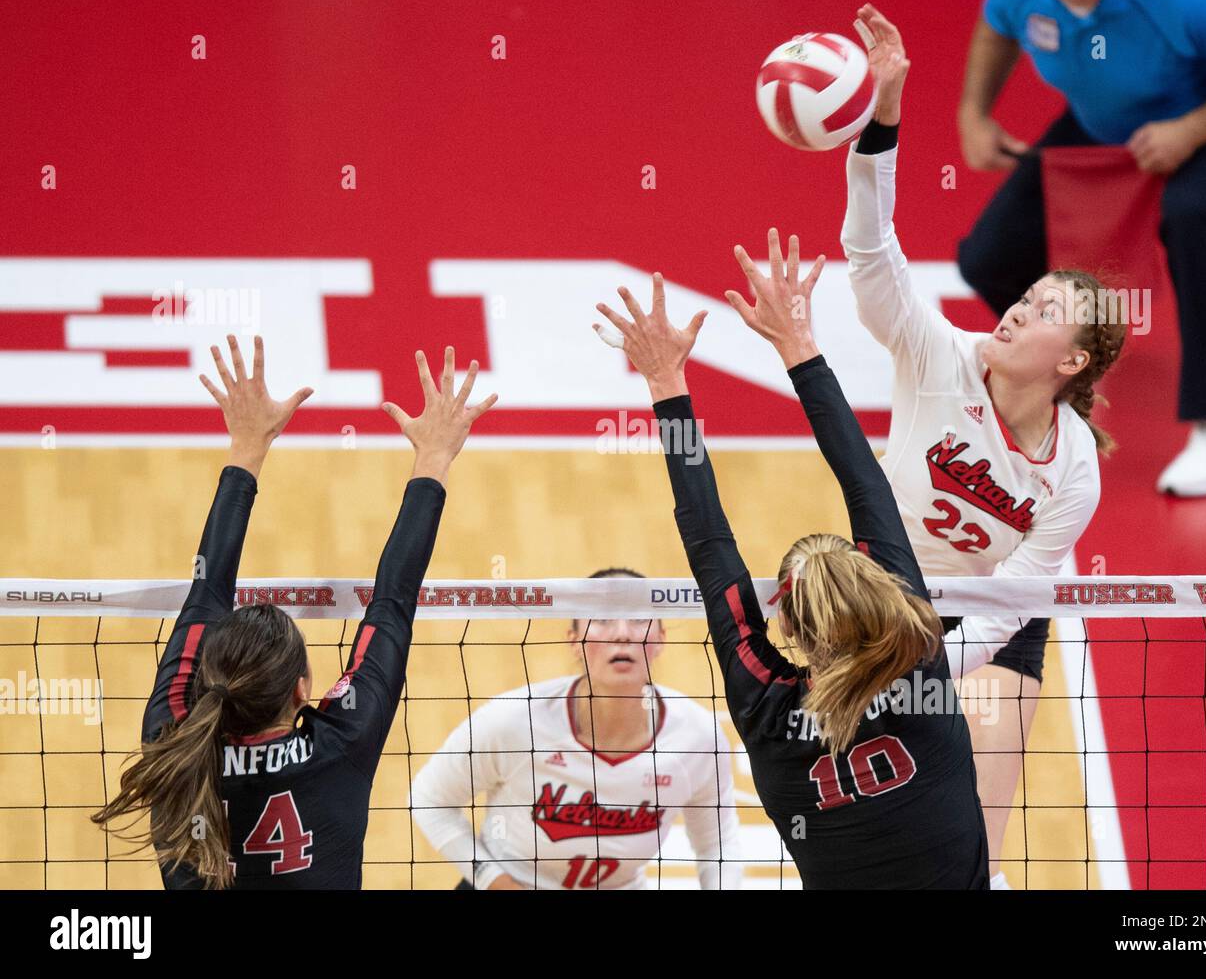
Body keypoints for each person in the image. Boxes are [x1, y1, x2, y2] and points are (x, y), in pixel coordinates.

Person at [840, 4, 1126, 888]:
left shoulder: (1074, 468)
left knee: (976, 852)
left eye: (1045, 312)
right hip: (877, 588)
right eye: (1027, 294)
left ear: (1073, 361)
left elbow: (1010, 603)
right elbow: (871, 251)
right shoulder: (938, 356)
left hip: (989, 628)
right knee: (856, 820)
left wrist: (918, 662)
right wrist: (884, 109)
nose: (1017, 309)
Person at [592, 256, 989, 888]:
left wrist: (666, 381)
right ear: (880, 593)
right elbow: (865, 481)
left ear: (788, 625)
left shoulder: (773, 700)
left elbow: (708, 540)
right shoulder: (916, 654)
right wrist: (798, 343)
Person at [91, 337, 496, 888]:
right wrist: (434, 457)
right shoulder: (327, 744)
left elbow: (210, 594)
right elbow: (391, 601)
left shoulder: (174, 746)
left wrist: (247, 447)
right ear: (303, 689)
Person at [957, 0, 1206, 496]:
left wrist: (1190, 130)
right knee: (988, 257)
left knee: (1191, 219)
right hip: (1103, 124)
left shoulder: (1187, 2)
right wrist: (974, 114)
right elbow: (997, 26)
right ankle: (1077, 355)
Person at [410, 568, 741, 890]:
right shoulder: (513, 721)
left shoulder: (698, 738)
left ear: (661, 639)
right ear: (574, 640)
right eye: (603, 619)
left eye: (640, 618)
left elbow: (717, 845)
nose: (623, 633)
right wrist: (493, 880)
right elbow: (429, 799)